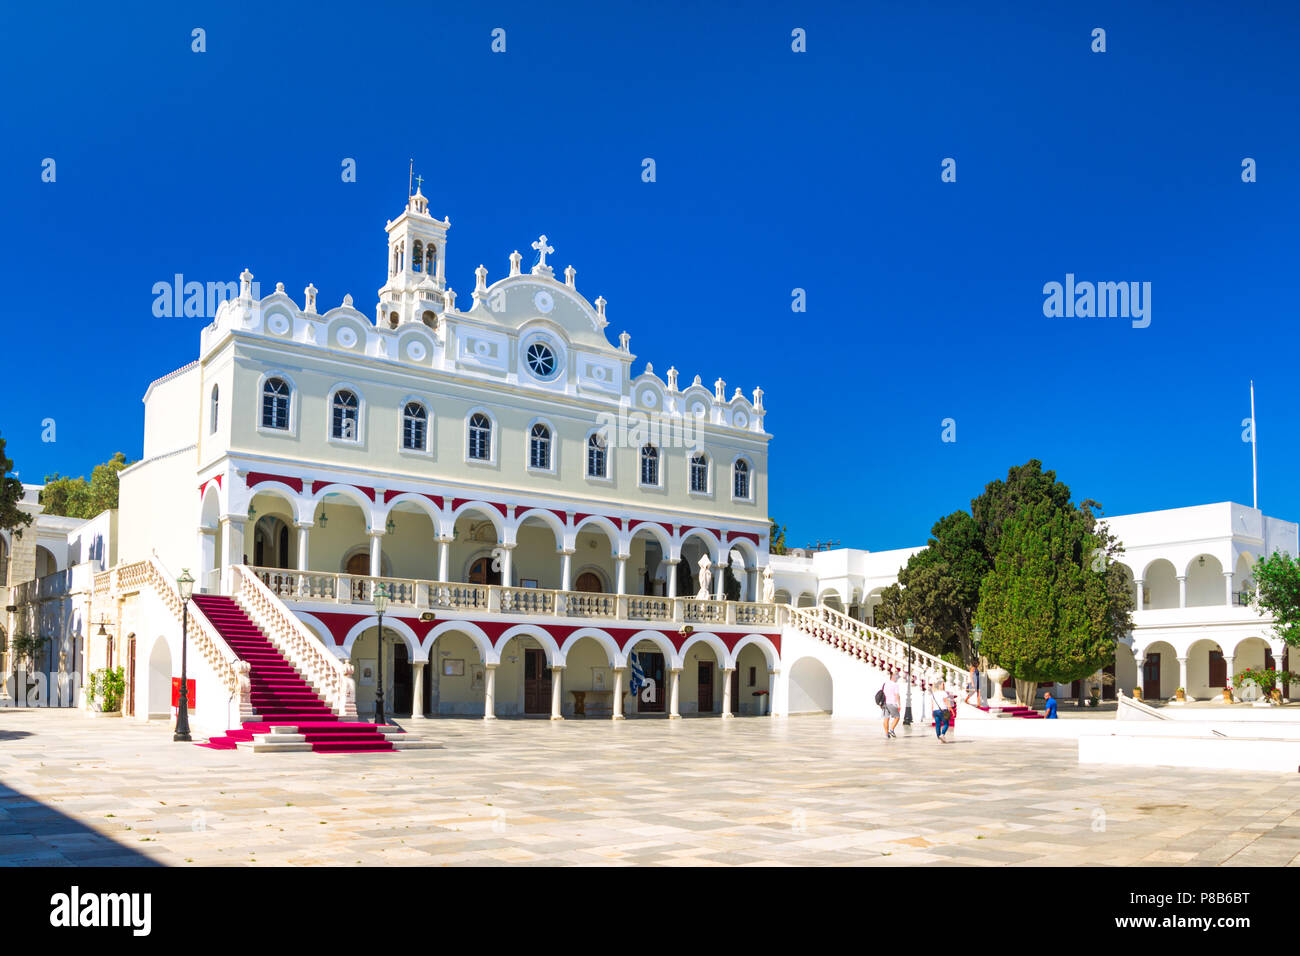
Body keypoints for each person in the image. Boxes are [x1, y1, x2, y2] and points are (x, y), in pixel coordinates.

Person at [881, 671, 901, 738]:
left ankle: (886, 734)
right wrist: (899, 704)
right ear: (892, 676)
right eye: (896, 676)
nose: (897, 678)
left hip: (884, 703)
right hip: (892, 703)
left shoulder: (885, 684)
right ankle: (891, 729)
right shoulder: (895, 685)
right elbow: (897, 695)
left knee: (886, 718)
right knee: (897, 717)